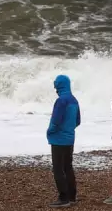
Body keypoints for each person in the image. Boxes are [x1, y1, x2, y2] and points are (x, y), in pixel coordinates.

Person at [46, 75, 81, 208]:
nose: (55, 88)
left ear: (59, 85)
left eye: (56, 85)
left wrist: (50, 131)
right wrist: (69, 129)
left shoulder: (61, 101)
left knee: (58, 169)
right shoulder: (74, 100)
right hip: (70, 138)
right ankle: (72, 196)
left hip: (58, 139)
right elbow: (78, 121)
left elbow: (56, 120)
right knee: (68, 167)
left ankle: (63, 198)